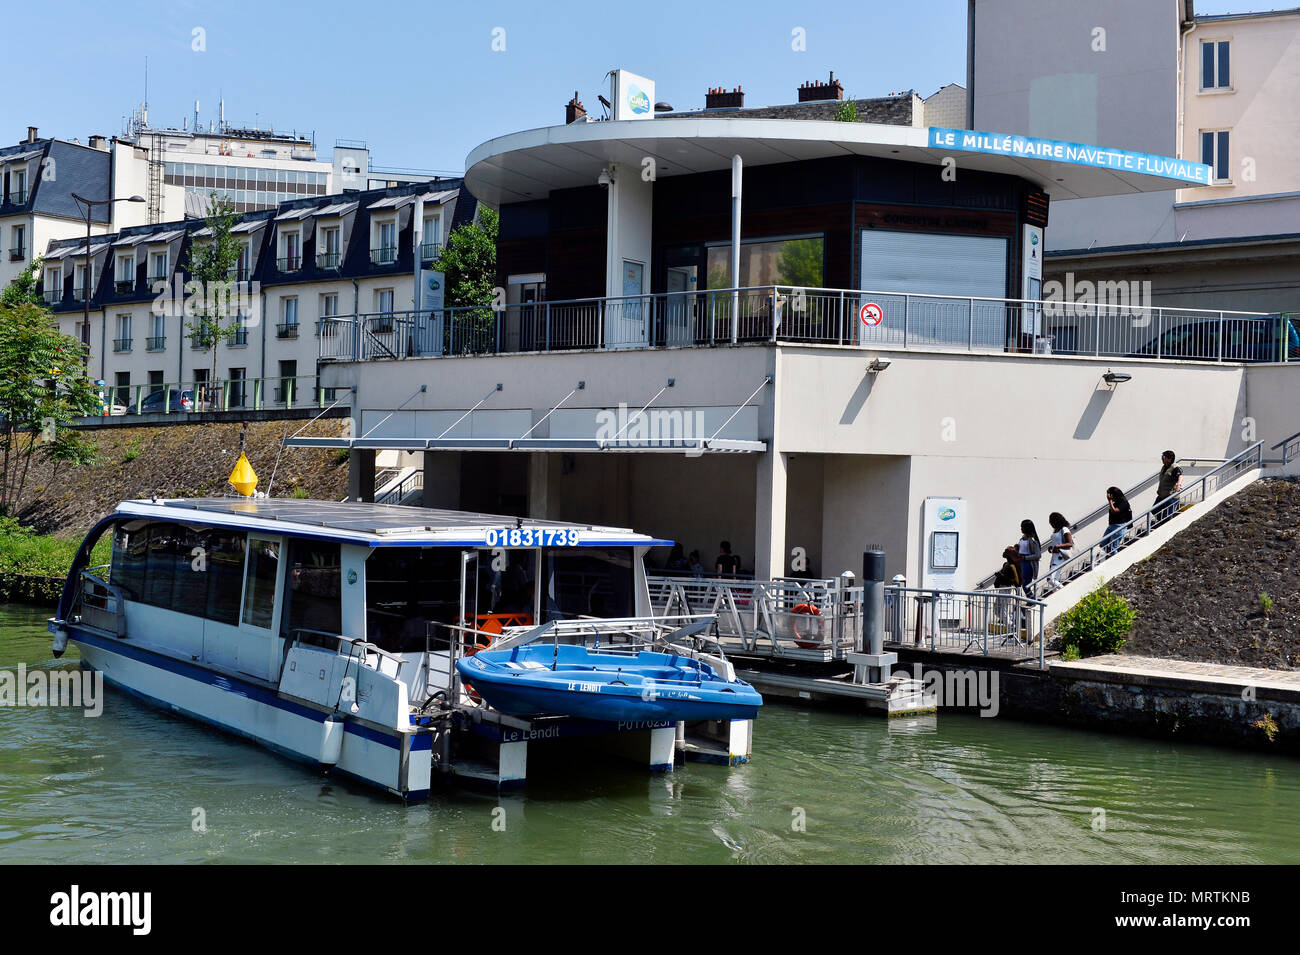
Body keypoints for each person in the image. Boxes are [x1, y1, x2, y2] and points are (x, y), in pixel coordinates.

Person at [1099, 486, 1133, 557]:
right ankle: (1109, 557)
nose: (1108, 496)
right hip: (1111, 526)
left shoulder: (1124, 502)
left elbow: (1115, 511)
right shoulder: (1115, 503)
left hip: (1119, 527)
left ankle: (1116, 560)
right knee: (1103, 544)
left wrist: (1110, 501)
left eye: (1110, 495)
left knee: (1113, 547)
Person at [1153, 450, 1183, 526]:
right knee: (1154, 510)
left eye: (1164, 457)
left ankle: (1166, 526)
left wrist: (1178, 485)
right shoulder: (1164, 467)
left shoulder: (1175, 467)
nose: (1162, 459)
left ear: (1169, 459)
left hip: (1171, 497)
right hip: (1162, 495)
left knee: (1168, 516)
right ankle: (1162, 523)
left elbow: (1180, 476)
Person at [1045, 512, 1074, 591]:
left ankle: (1065, 591)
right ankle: (1058, 594)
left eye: (1051, 521)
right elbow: (1057, 542)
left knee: (1050, 579)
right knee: (1054, 579)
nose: (1050, 523)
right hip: (1054, 557)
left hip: (1060, 557)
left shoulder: (1064, 529)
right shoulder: (1056, 531)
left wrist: (1058, 546)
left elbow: (1070, 543)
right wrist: (1052, 547)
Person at [1016, 519, 1042, 597]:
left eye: (1022, 527)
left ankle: (1032, 599)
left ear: (1027, 528)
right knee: (1022, 583)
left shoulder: (1033, 540)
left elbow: (1037, 555)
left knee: (1025, 584)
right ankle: (1031, 599)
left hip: (1028, 563)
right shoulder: (1022, 538)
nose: (1021, 528)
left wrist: (1025, 558)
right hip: (1021, 562)